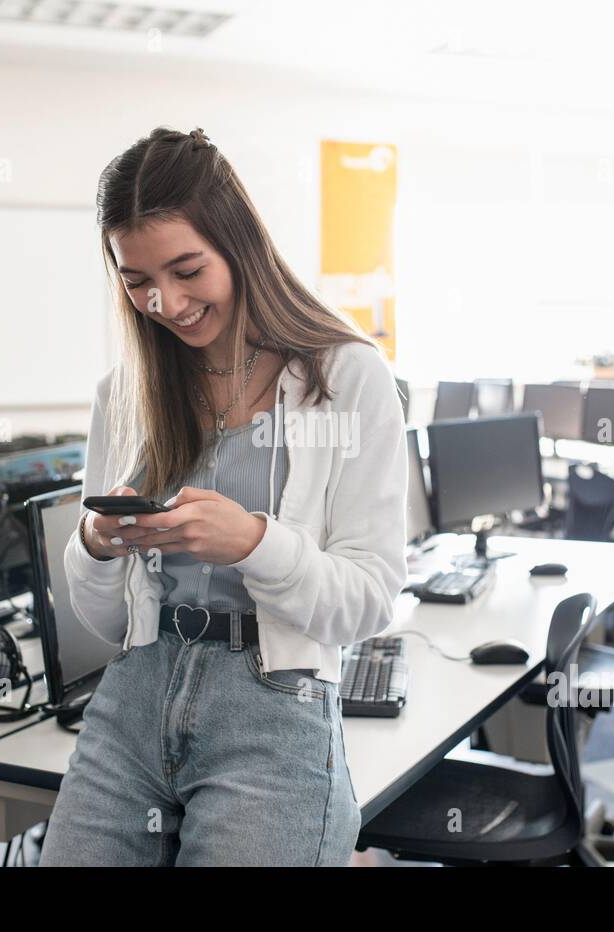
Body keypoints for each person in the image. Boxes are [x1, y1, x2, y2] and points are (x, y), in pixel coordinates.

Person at [38, 127, 407, 866]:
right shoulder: (124, 397)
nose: (164, 302)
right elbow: (105, 622)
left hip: (273, 708)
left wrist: (254, 544)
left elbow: (369, 599)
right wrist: (95, 546)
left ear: (237, 242)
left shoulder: (346, 377)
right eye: (137, 279)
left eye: (186, 270)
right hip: (133, 698)